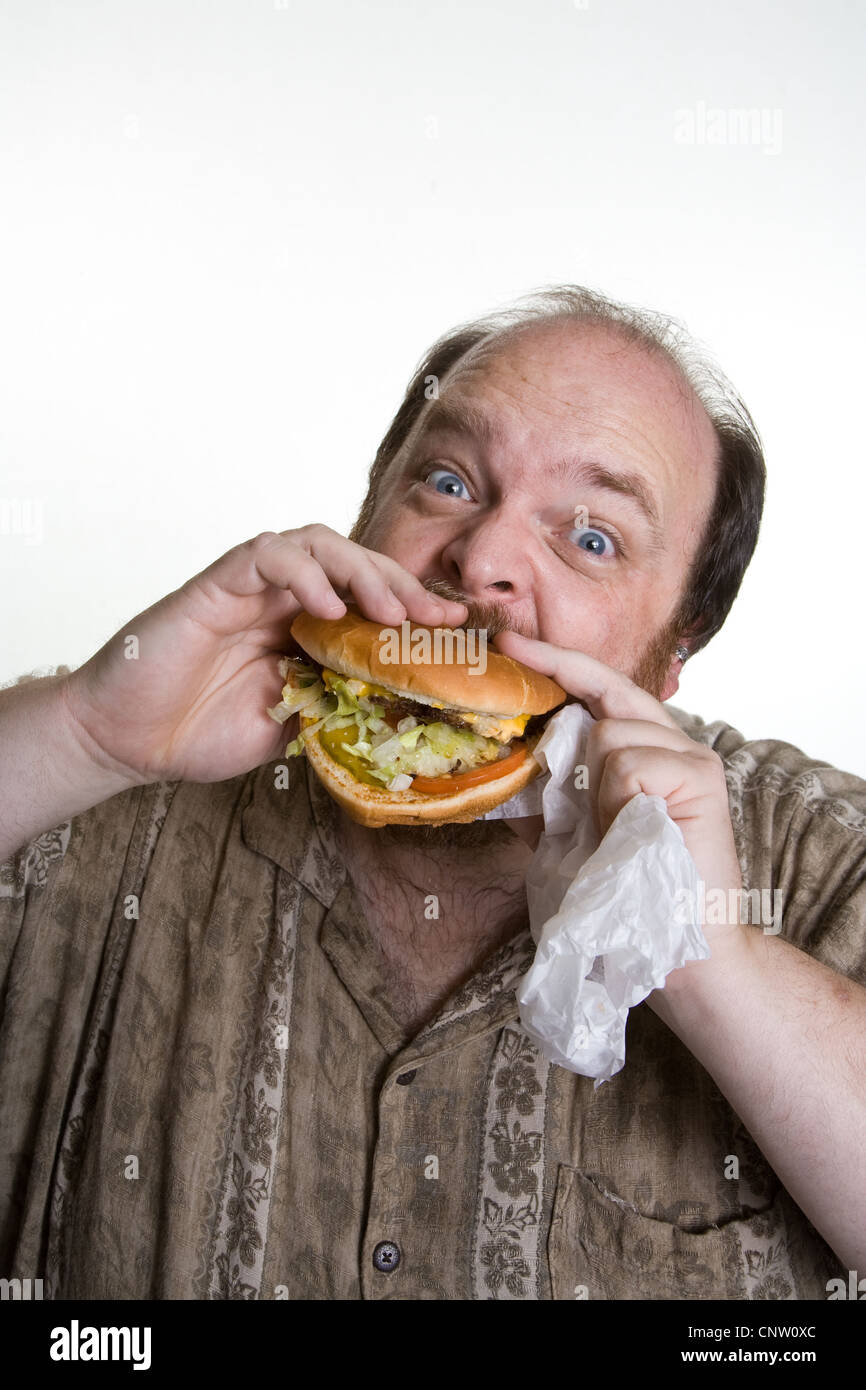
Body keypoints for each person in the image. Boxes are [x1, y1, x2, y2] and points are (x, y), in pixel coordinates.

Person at [1, 286, 864, 1301]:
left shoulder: (819, 855)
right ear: (369, 509)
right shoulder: (104, 776)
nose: (483, 558)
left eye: (589, 537)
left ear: (675, 651)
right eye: (448, 480)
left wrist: (708, 956)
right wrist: (84, 733)